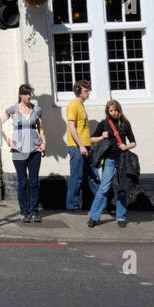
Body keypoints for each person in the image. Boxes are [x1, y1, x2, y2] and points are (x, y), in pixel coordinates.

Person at [88, 100, 136, 228]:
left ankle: (121, 217)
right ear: (108, 112)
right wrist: (102, 137)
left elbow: (133, 142)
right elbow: (91, 139)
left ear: (119, 110)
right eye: (111, 111)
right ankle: (94, 217)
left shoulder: (125, 124)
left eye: (116, 110)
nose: (114, 113)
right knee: (104, 188)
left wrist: (126, 146)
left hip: (122, 161)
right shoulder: (104, 123)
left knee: (121, 188)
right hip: (109, 159)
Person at [1, 84, 45, 222]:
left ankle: (34, 212)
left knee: (34, 182)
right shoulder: (13, 109)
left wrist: (44, 143)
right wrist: (6, 139)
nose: (28, 96)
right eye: (26, 94)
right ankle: (24, 211)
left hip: (34, 150)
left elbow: (41, 129)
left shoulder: (36, 110)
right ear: (20, 95)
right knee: (22, 182)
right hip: (18, 150)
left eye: (30, 94)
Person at [64, 79, 99, 210]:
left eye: (88, 90)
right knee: (77, 176)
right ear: (78, 91)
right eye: (85, 91)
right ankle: (71, 205)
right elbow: (72, 127)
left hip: (85, 146)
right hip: (77, 147)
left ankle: (101, 202)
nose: (88, 93)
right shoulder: (73, 105)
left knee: (92, 176)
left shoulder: (81, 105)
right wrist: (81, 145)